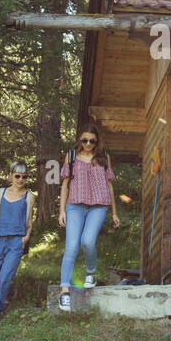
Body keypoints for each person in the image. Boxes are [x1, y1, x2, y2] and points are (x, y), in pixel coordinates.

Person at [57, 123, 120, 312]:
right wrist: (61, 211)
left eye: (92, 141)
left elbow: (110, 186)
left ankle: (90, 272)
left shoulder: (103, 157)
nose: (88, 144)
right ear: (79, 140)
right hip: (75, 206)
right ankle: (64, 290)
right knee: (71, 247)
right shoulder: (72, 156)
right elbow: (65, 185)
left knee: (88, 242)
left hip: (98, 206)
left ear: (96, 141)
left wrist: (114, 212)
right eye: (84, 140)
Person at [0, 162, 35, 324]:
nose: (20, 180)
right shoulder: (0, 192)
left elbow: (29, 221)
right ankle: (7, 292)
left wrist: (25, 239)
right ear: (11, 175)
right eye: (17, 176)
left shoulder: (29, 196)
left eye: (24, 176)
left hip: (16, 242)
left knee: (5, 277)